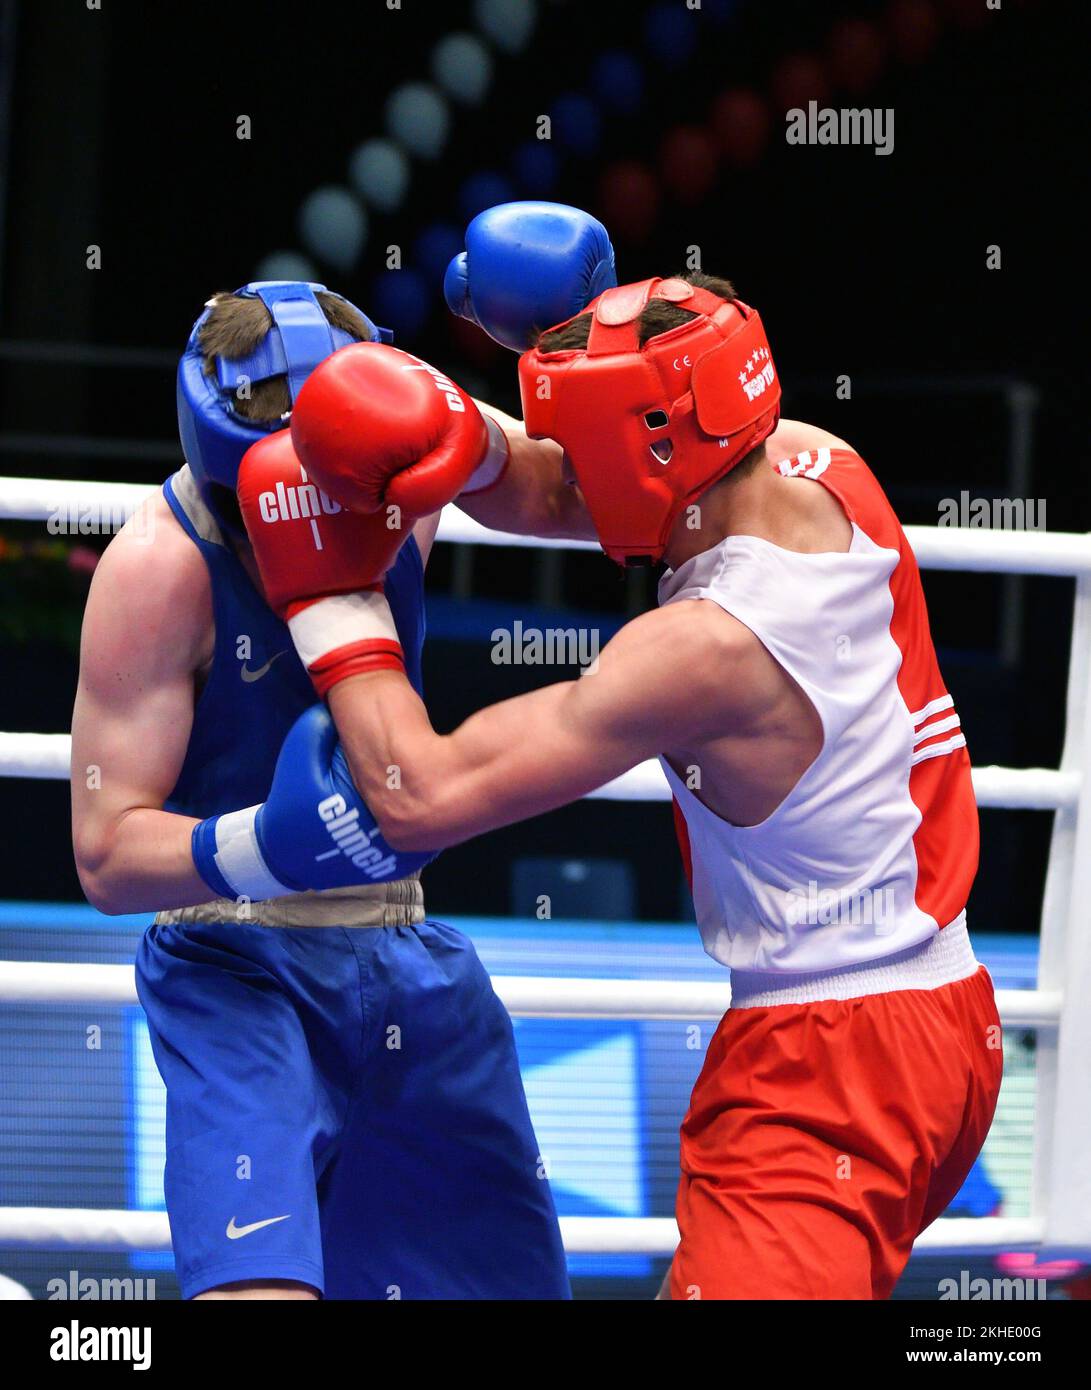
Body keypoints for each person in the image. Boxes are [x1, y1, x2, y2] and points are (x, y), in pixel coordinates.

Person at [232, 210, 1004, 1300]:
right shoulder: (820, 469)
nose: (566, 467)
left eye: (585, 440)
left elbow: (419, 793)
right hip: (943, 1013)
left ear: (650, 454)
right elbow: (564, 485)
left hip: (829, 1067)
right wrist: (452, 419)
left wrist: (326, 598)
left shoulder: (705, 650)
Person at [69, 279, 572, 1300]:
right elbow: (104, 853)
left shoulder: (402, 474)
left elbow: (590, 499)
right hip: (233, 962)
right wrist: (263, 843)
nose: (316, 522)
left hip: (405, 954)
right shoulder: (158, 572)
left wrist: (539, 370)